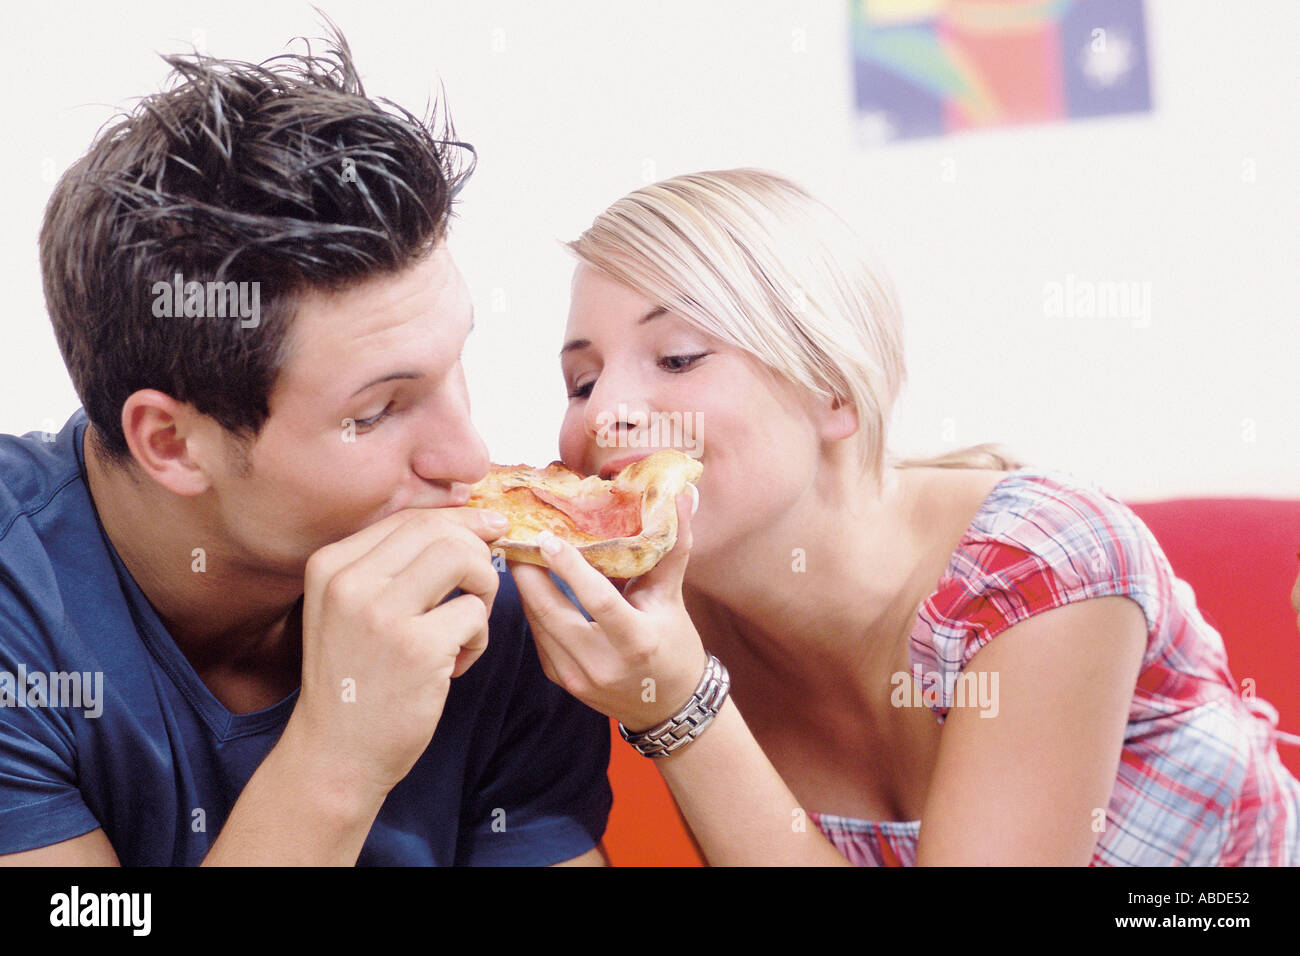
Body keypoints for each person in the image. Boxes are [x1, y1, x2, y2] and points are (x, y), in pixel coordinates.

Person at [509, 167, 1300, 865]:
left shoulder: (1043, 563)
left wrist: (681, 712)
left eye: (677, 357)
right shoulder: (664, 631)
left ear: (835, 393)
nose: (604, 412)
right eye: (580, 381)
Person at [0, 31, 610, 866]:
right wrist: (340, 759)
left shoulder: (500, 620)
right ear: (173, 444)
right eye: (377, 412)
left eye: (454, 366)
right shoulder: (19, 618)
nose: (468, 460)